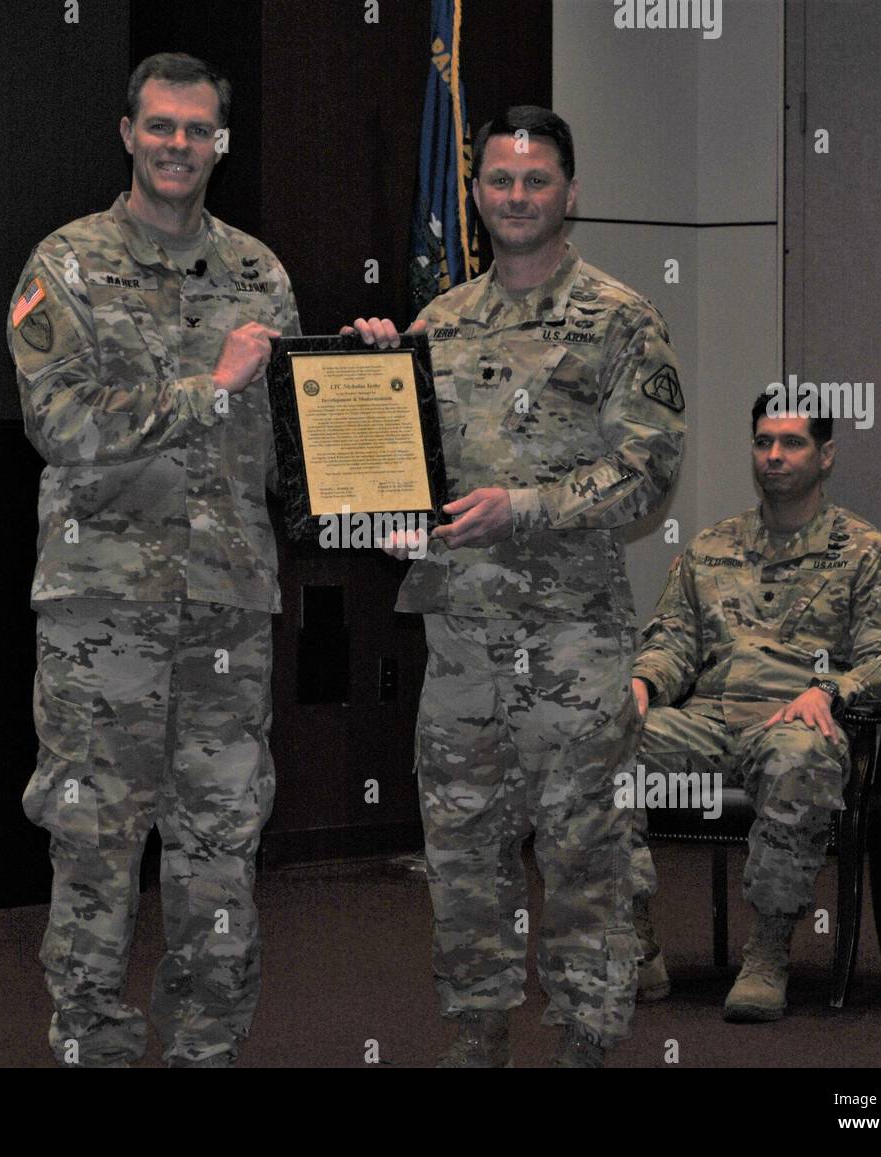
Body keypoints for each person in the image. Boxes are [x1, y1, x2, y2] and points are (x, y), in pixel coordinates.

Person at [355, 106, 685, 1067]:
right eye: (499, 180)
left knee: (586, 857)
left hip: (576, 643)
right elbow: (398, 474)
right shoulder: (438, 324)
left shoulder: (621, 318)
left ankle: (587, 1043)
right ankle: (476, 1037)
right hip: (460, 641)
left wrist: (527, 507)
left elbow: (647, 472)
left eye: (536, 181)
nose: (516, 197)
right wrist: (375, 463)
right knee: (463, 860)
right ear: (478, 191)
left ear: (570, 194)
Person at [6, 52, 299, 1068]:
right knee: (94, 842)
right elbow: (60, 423)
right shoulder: (66, 265)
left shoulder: (259, 273)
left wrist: (367, 374)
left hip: (227, 611)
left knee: (221, 848)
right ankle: (93, 1044)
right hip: (103, 616)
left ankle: (206, 1048)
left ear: (221, 140)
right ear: (128, 132)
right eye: (161, 125)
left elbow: (295, 444)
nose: (180, 144)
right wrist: (205, 386)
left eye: (199, 128)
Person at [629, 390, 881, 1022]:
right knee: (602, 741)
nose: (775, 456)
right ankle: (631, 939)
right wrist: (643, 686)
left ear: (826, 456)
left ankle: (767, 954)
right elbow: (672, 638)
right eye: (764, 442)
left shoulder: (865, 552)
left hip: (797, 720)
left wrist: (831, 690)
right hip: (710, 720)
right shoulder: (711, 548)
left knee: (800, 758)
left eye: (792, 443)